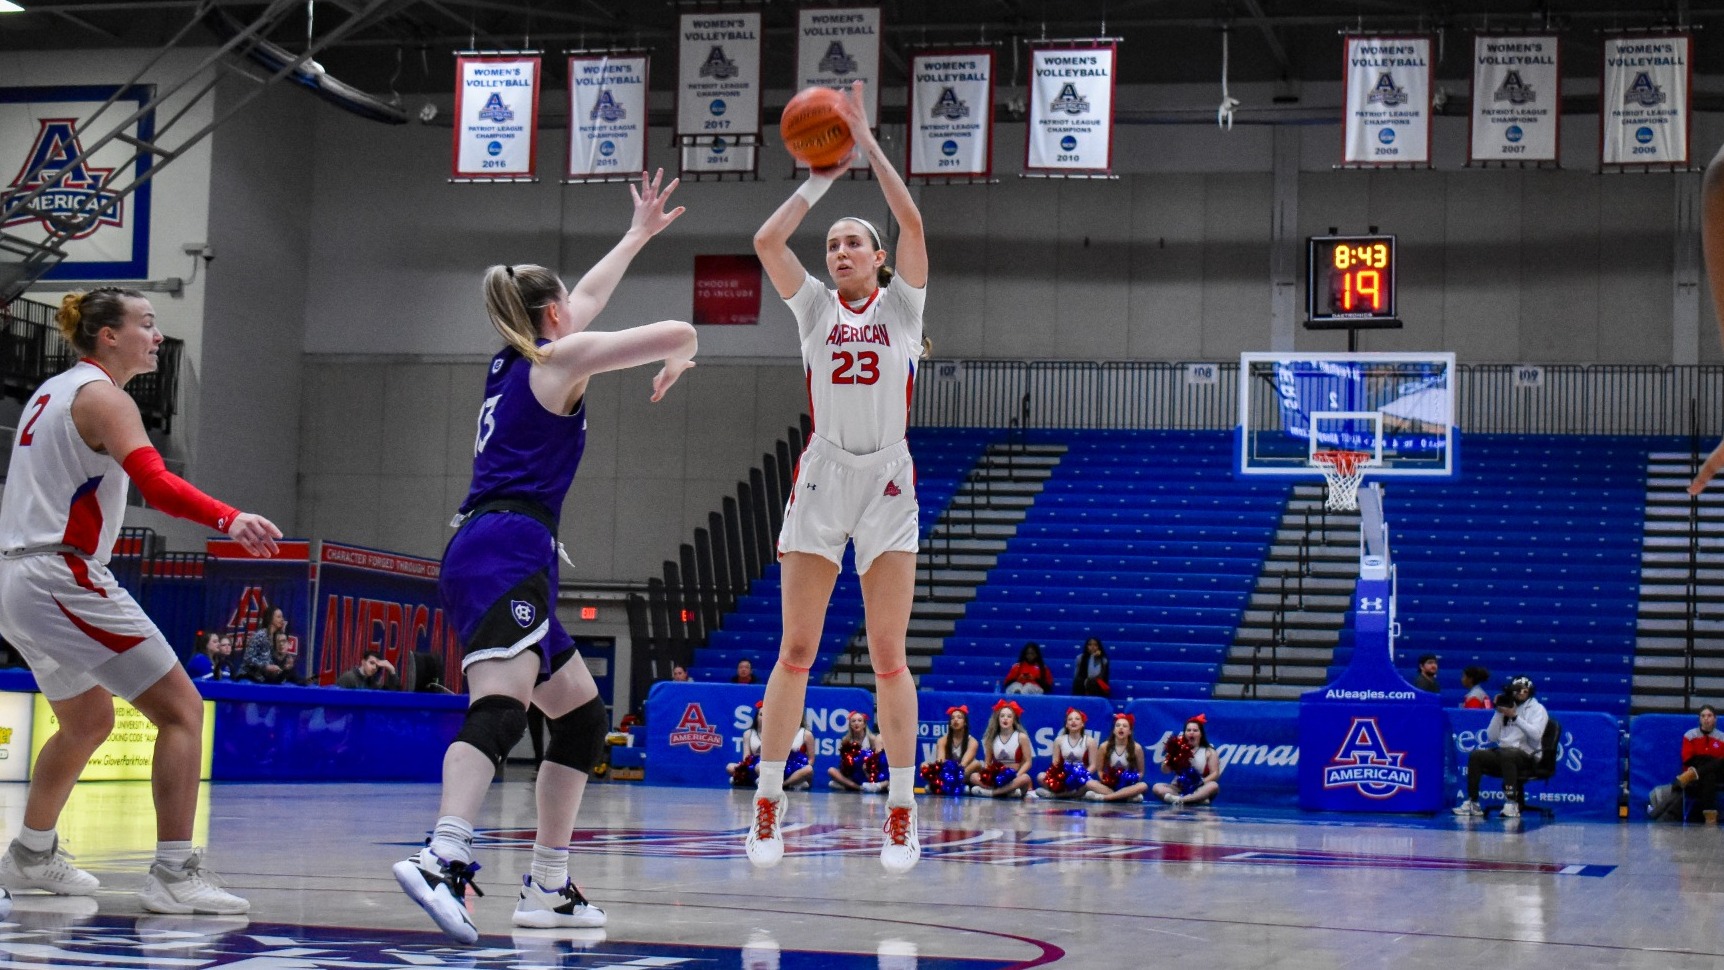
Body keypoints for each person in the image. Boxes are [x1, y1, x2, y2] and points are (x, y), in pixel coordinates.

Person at [393, 169, 697, 943]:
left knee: (582, 718)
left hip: (499, 542)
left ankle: (549, 884)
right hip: (504, 546)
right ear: (552, 311)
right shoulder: (560, 360)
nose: (579, 306)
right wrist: (679, 356)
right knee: (499, 704)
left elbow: (587, 298)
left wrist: (635, 235)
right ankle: (443, 855)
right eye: (569, 302)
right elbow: (677, 330)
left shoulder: (518, 357)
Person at [0, 287, 282, 916]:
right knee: (182, 709)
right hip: (60, 574)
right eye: (147, 324)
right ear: (108, 336)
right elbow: (157, 483)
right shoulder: (104, 396)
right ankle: (174, 873)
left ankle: (29, 856)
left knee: (89, 721)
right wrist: (228, 517)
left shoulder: (50, 392)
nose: (157, 336)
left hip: (18, 579)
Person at [743, 79, 928, 875]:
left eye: (853, 242)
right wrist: (820, 174)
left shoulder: (903, 312)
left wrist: (865, 140)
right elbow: (765, 243)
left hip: (888, 481)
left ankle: (900, 806)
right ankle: (768, 798)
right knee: (796, 649)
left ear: (879, 258)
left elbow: (914, 219)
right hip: (822, 475)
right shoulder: (815, 310)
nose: (839, 251)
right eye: (833, 245)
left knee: (890, 654)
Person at [1453, 676, 1548, 819]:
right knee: (1476, 755)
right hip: (1505, 753)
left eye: (1524, 690)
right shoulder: (1508, 706)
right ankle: (1473, 802)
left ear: (1530, 691)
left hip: (1529, 756)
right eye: (1517, 691)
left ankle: (1512, 803)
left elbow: (1536, 735)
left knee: (1508, 755)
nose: (1520, 693)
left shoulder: (1537, 709)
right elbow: (1491, 737)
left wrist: (1515, 717)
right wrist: (1498, 712)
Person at [728, 702, 812, 790]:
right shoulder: (748, 733)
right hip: (754, 763)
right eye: (761, 715)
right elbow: (746, 756)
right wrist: (748, 764)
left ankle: (781, 784)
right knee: (730, 767)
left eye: (767, 715)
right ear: (756, 717)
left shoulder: (778, 732)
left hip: (775, 763)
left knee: (761, 767)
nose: (763, 718)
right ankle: (751, 779)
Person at [1149, 715, 1221, 806]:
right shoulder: (1177, 749)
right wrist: (1170, 757)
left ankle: (1182, 800)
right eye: (1188, 730)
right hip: (1178, 787)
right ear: (1184, 733)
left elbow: (1215, 773)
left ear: (1201, 734)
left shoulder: (1209, 751)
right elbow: (1165, 771)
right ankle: (1195, 800)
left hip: (1199, 787)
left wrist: (1200, 783)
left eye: (1195, 730)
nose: (1191, 733)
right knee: (1157, 787)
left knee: (1213, 786)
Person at [968, 699, 1033, 798]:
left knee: (1025, 778)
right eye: (1002, 716)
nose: (1005, 719)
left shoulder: (1021, 737)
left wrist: (1017, 775)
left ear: (1014, 720)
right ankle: (1007, 792)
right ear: (997, 719)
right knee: (973, 776)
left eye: (1009, 716)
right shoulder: (992, 738)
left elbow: (1028, 762)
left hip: (1014, 776)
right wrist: (987, 777)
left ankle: (993, 793)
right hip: (997, 777)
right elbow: (987, 762)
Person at [1675, 705, 1724, 824]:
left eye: (1709, 715)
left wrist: (1705, 760)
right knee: (1709, 776)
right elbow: (1688, 758)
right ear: (1699, 719)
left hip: (1719, 773)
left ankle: (1692, 774)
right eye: (1703, 716)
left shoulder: (1722, 737)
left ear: (1715, 719)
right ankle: (1710, 817)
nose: (1706, 718)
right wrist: (1708, 760)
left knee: (1719, 763)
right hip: (1701, 775)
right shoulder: (1690, 735)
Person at [1085, 713, 1150, 803]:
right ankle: (1125, 797)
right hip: (1109, 785)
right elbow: (1099, 770)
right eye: (1118, 725)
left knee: (1143, 786)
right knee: (1089, 783)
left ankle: (1105, 798)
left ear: (1130, 731)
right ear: (1114, 730)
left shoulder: (1136, 748)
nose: (1121, 728)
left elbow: (1141, 772)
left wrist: (1131, 779)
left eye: (1124, 726)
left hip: (1127, 785)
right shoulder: (1104, 746)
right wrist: (1105, 779)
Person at [1035, 708, 1095, 799]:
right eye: (1070, 719)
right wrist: (1058, 778)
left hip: (1081, 777)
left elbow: (1093, 765)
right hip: (1063, 776)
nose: (1073, 721)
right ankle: (1074, 795)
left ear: (1082, 724)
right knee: (1040, 776)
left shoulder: (1090, 741)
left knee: (1089, 784)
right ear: (1066, 724)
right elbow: (1055, 763)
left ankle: (1055, 795)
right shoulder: (1059, 740)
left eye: (1077, 719)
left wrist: (1082, 775)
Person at [917, 704, 976, 796]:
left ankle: (943, 786)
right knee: (923, 765)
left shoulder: (972, 741)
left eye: (959, 717)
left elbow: (964, 764)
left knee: (976, 764)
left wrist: (954, 770)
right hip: (946, 771)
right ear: (950, 723)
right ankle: (943, 785)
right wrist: (946, 770)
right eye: (952, 718)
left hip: (961, 772)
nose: (955, 720)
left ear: (965, 722)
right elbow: (940, 761)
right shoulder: (942, 740)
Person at [827, 710, 886, 792]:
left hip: (867, 772)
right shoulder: (846, 740)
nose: (856, 723)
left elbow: (877, 759)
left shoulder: (872, 739)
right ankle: (858, 787)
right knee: (831, 771)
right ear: (850, 725)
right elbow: (843, 762)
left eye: (859, 721)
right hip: (853, 773)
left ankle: (848, 786)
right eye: (853, 721)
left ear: (864, 724)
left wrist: (867, 766)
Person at [238, 605, 288, 682]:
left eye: (282, 617)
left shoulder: (274, 637)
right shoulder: (260, 635)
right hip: (248, 675)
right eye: (279, 617)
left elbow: (269, 659)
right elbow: (248, 659)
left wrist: (283, 657)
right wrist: (266, 667)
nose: (282, 620)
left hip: (263, 676)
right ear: (270, 619)